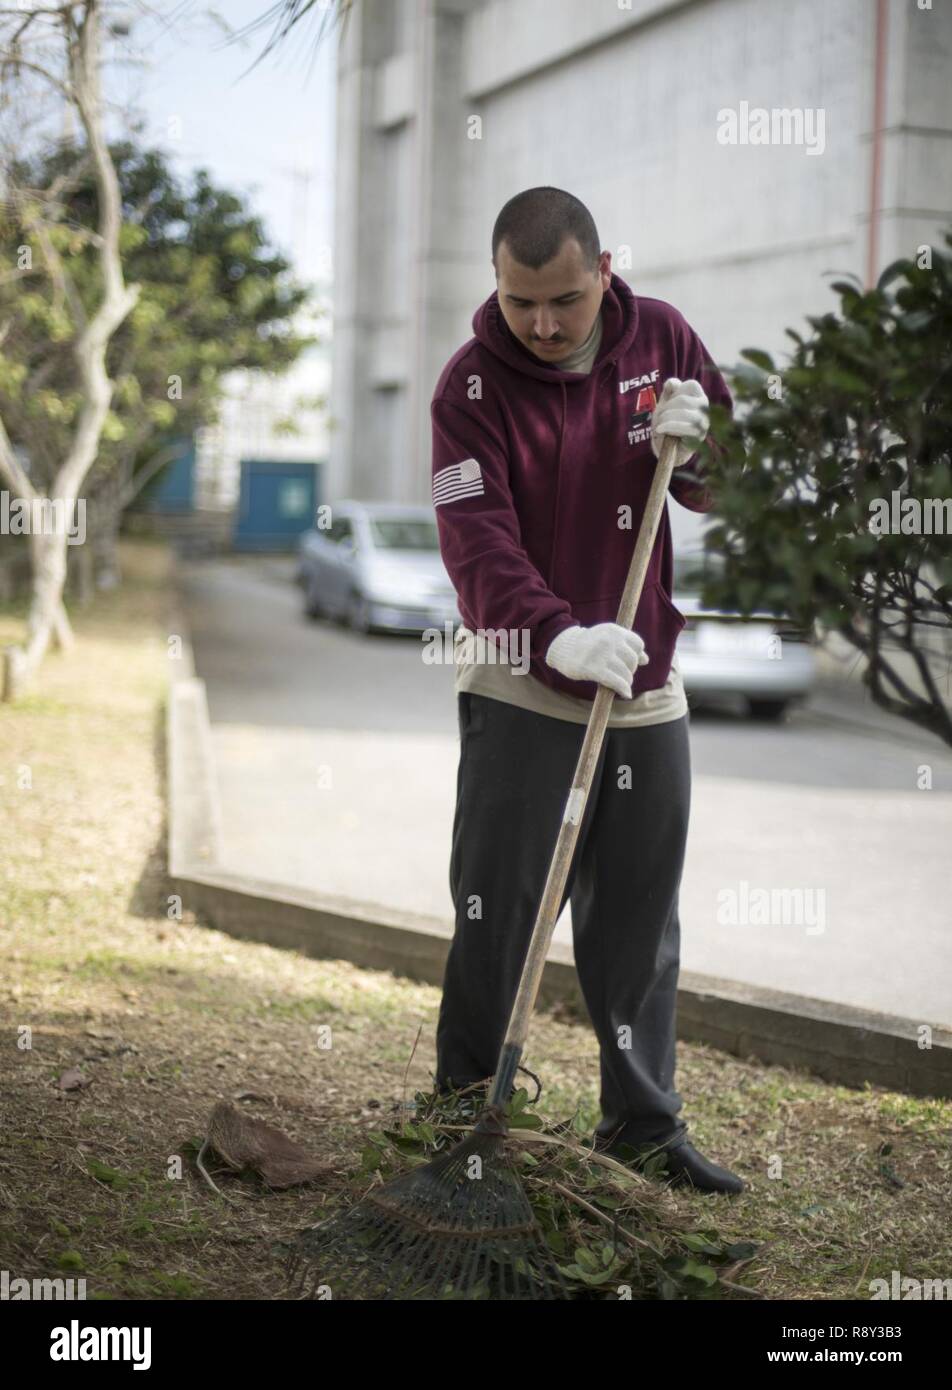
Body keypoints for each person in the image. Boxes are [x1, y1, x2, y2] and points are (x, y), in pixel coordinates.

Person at [429, 186, 744, 1195]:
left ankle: (642, 1124)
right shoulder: (466, 388)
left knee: (640, 924)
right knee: (497, 916)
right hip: (528, 682)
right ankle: (461, 1119)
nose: (544, 324)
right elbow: (475, 544)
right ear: (498, 284)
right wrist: (558, 636)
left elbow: (724, 484)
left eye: (563, 298)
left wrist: (705, 448)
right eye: (521, 302)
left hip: (644, 684)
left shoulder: (663, 339)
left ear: (604, 270)